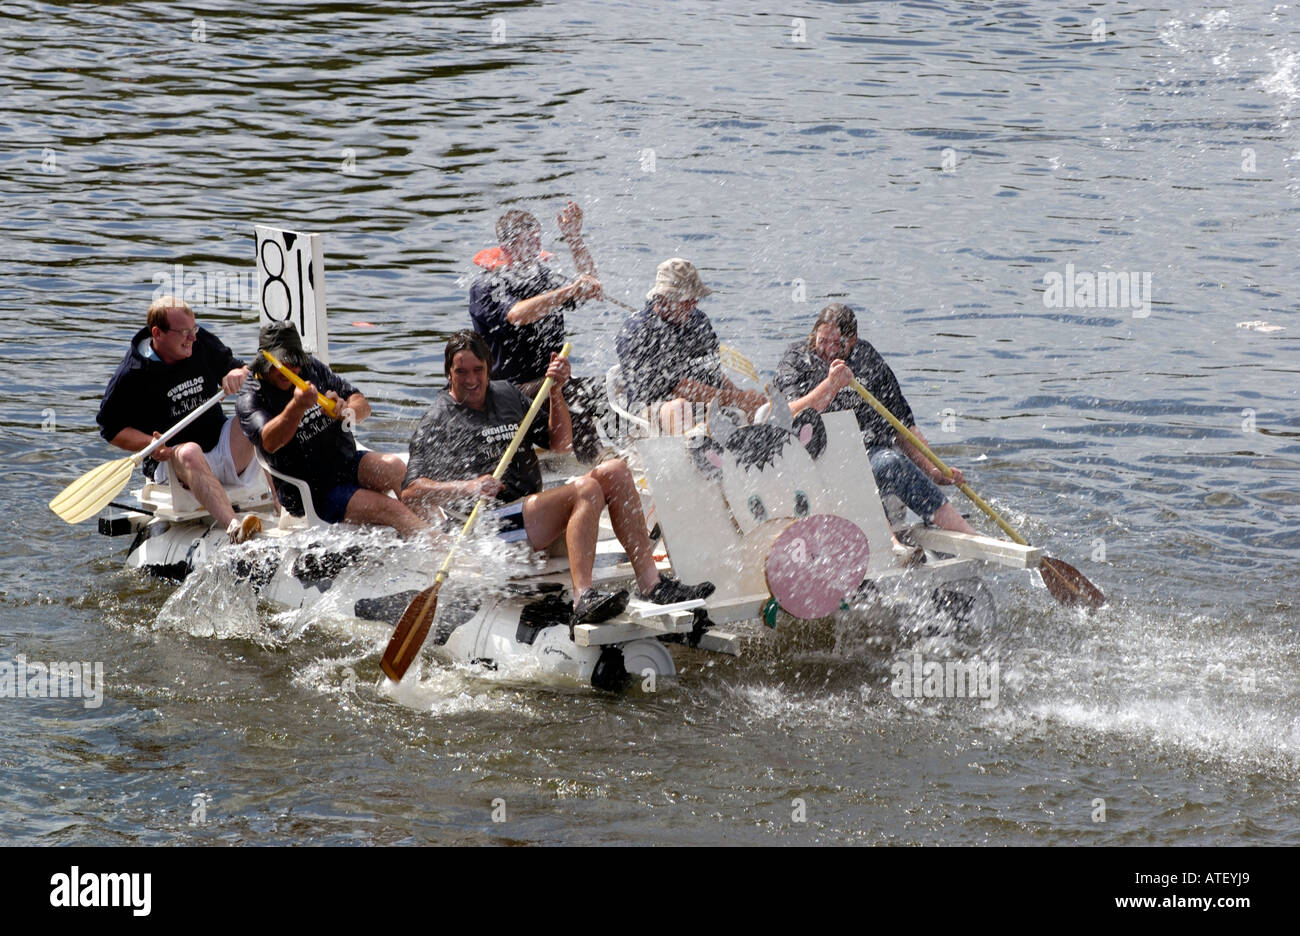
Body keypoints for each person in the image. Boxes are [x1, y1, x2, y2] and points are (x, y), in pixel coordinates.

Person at [401, 331, 714, 629]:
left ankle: (652, 584)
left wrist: (555, 393)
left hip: (530, 515)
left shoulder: (506, 395)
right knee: (587, 487)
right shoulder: (439, 418)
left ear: (488, 367)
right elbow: (412, 493)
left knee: (615, 470)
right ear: (448, 373)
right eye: (461, 372)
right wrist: (469, 487)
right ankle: (583, 601)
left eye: (477, 370)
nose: (471, 380)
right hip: (487, 527)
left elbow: (560, 444)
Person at [774, 303, 978, 535]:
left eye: (837, 343)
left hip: (871, 455)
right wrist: (830, 386)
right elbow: (788, 413)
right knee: (855, 472)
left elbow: (901, 425)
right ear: (814, 335)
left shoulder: (867, 358)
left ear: (853, 340)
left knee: (892, 464)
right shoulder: (796, 359)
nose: (829, 350)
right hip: (818, 460)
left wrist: (934, 471)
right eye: (822, 341)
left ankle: (967, 533)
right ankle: (891, 544)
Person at [236, 322, 429, 538]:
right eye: (284, 364)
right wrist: (297, 406)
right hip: (314, 490)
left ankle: (436, 533)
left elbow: (362, 404)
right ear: (266, 362)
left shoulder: (312, 368)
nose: (293, 370)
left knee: (396, 468)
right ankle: (435, 545)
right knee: (391, 509)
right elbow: (270, 441)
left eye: (296, 362)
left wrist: (345, 411)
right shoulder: (251, 397)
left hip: (346, 463)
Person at [97, 295, 262, 543]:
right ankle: (235, 529)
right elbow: (110, 428)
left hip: (222, 449)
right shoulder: (133, 373)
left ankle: (287, 508)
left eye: (193, 329)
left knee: (258, 407)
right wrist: (151, 444)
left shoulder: (200, 342)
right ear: (158, 333)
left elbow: (236, 367)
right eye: (184, 332)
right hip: (174, 465)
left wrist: (237, 374)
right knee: (189, 453)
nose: (192, 338)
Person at [468, 202, 605, 461]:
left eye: (537, 239)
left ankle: (632, 451)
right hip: (508, 391)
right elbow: (517, 315)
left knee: (607, 387)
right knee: (570, 393)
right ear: (508, 246)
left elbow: (589, 286)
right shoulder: (486, 285)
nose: (536, 247)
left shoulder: (541, 277)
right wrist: (567, 291)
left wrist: (574, 239)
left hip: (552, 381)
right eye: (528, 241)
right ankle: (599, 464)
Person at [615, 258, 767, 434]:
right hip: (650, 409)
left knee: (758, 403)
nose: (693, 304)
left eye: (695, 298)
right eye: (686, 299)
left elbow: (711, 370)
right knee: (680, 407)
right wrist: (737, 399)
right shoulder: (638, 330)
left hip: (701, 401)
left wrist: (745, 397)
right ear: (663, 299)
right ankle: (694, 453)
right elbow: (679, 387)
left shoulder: (698, 320)